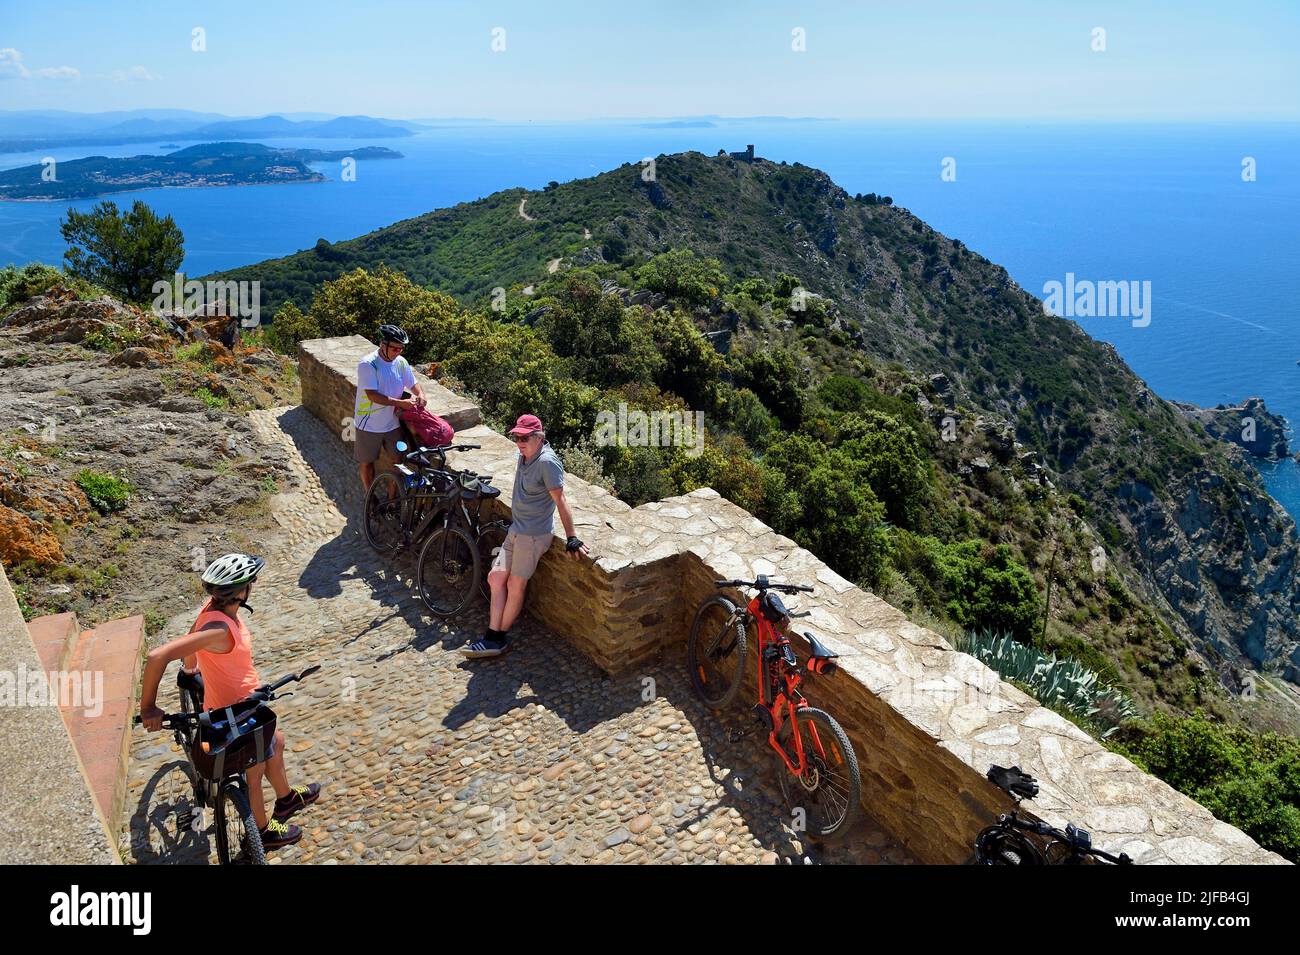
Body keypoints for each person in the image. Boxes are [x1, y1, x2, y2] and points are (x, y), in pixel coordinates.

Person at [138, 553, 321, 851]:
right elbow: (157, 655)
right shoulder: (219, 629)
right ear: (240, 591)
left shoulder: (210, 612)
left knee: (278, 740)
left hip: (247, 702)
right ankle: (263, 833)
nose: (255, 584)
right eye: (251, 582)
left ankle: (286, 798)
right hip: (236, 713)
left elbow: (191, 638)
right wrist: (148, 708)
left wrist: (190, 670)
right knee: (254, 771)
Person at [462, 414, 590, 658]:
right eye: (516, 437)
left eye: (524, 437)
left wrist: (572, 536)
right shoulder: (525, 455)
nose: (519, 442)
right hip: (517, 530)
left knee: (514, 584)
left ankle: (496, 637)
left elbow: (560, 500)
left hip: (532, 535)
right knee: (495, 577)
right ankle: (494, 634)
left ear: (539, 438)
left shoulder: (547, 462)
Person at [354, 324, 427, 490]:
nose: (398, 352)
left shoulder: (400, 362)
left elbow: (413, 383)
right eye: (394, 349)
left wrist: (421, 395)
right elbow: (372, 395)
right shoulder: (368, 364)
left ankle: (392, 500)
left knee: (398, 462)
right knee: (367, 463)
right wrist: (401, 403)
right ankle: (369, 496)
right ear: (383, 344)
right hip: (368, 425)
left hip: (392, 425)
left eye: (401, 349)